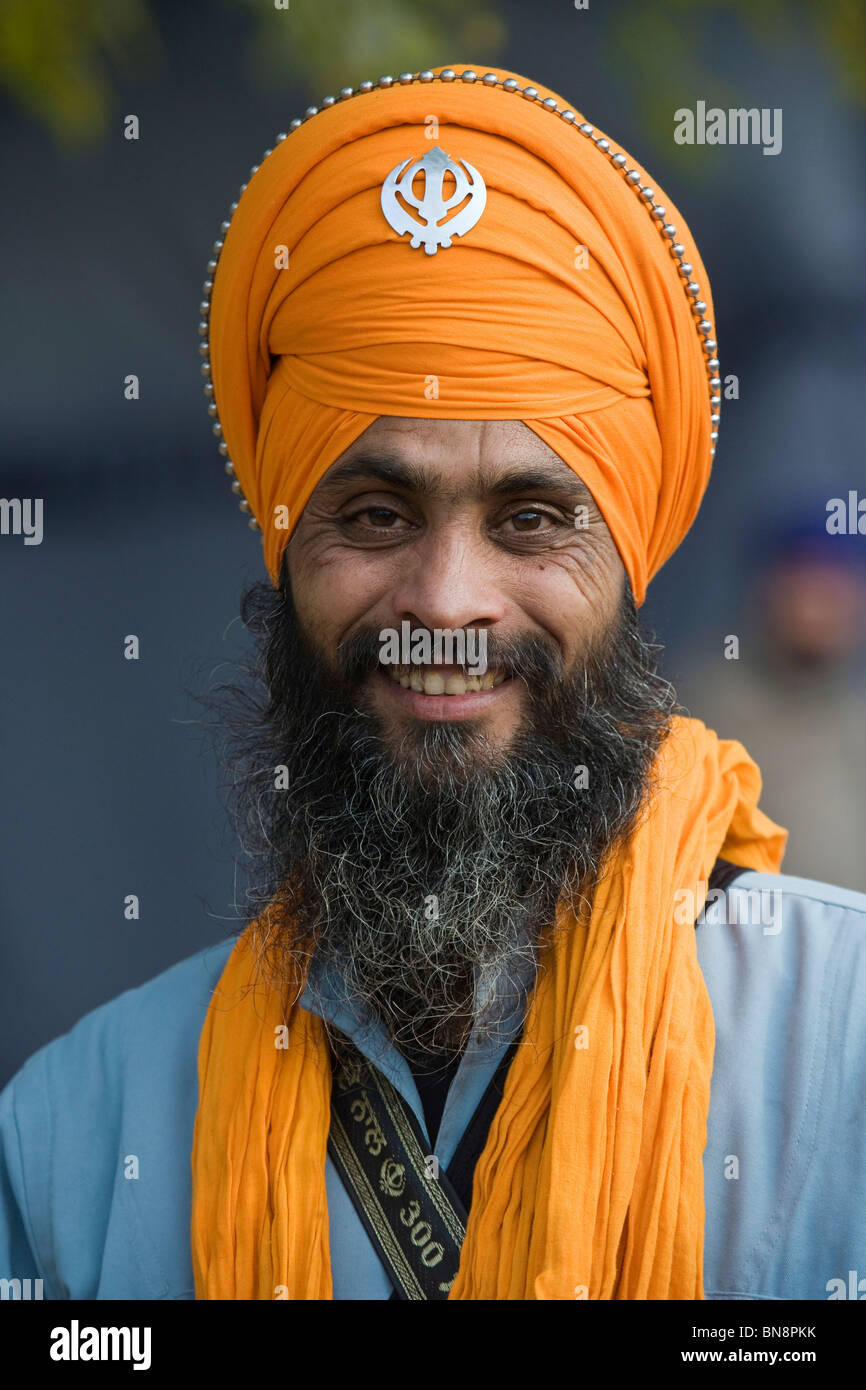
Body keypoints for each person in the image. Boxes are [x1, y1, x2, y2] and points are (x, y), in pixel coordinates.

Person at [1, 64, 863, 1303]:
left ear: (630, 561)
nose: (445, 599)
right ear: (281, 559)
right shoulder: (77, 1140)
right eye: (373, 512)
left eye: (527, 518)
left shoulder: (842, 1057)